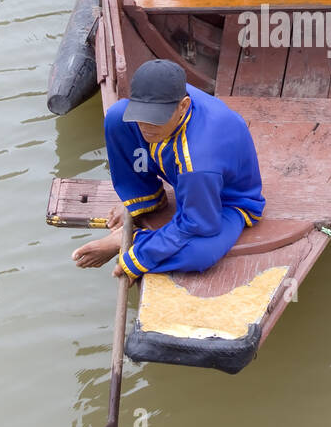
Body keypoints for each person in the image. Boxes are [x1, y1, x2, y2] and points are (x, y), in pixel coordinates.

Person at [72, 59, 264, 280]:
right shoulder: (166, 96)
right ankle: (146, 199)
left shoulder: (198, 164)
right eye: (142, 115)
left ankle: (136, 239)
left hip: (225, 202)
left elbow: (197, 225)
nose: (145, 127)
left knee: (200, 254)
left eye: (155, 120)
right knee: (117, 116)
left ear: (183, 106)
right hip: (188, 174)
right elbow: (138, 120)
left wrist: (136, 254)